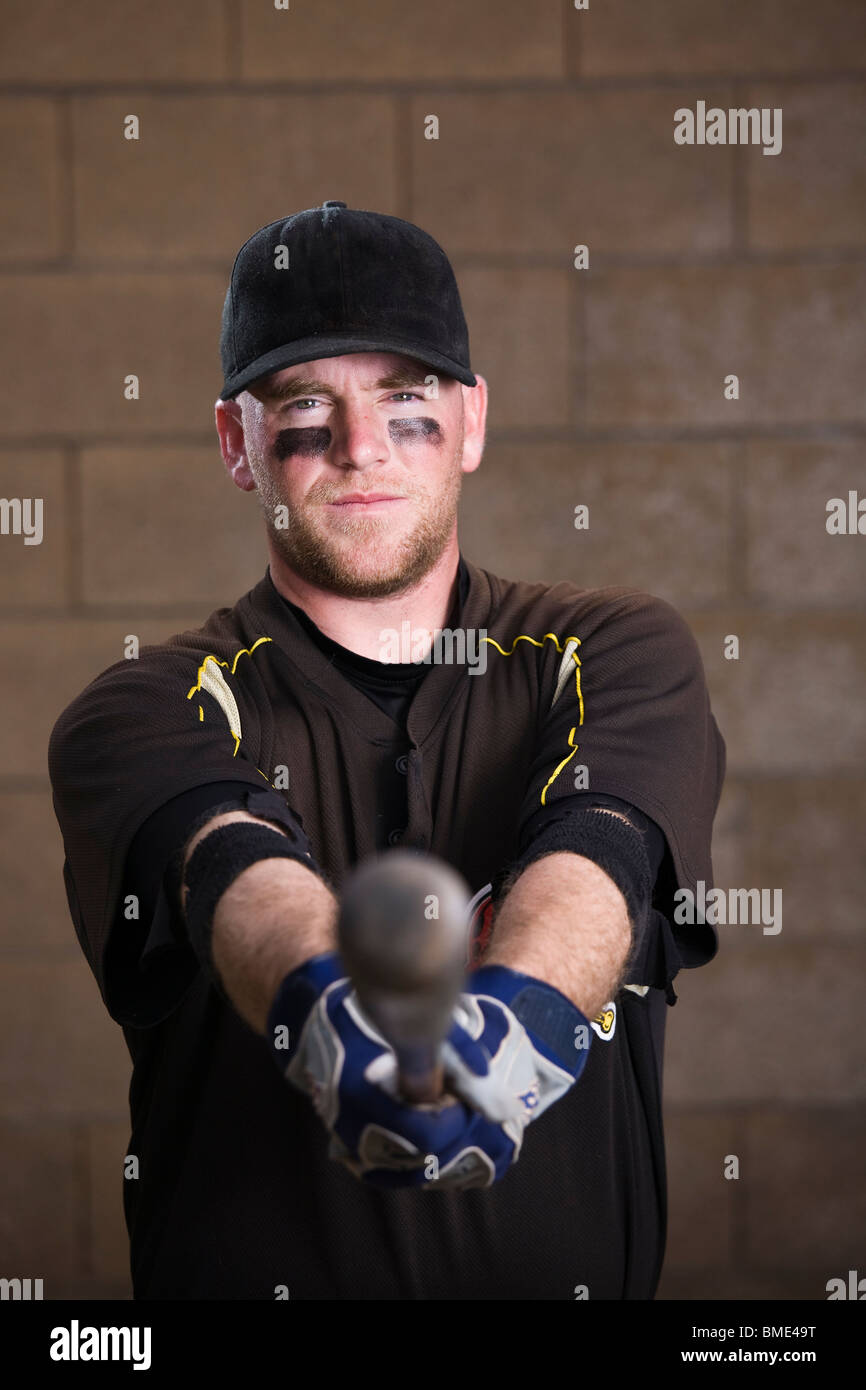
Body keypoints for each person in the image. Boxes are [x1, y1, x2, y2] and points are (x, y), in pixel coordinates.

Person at [48, 200, 725, 1300]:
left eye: (405, 400)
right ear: (238, 443)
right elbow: (232, 861)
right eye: (307, 404)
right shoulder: (141, 703)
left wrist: (509, 1031)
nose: (360, 447)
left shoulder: (613, 649)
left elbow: (598, 845)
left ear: (469, 422)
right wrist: (335, 1020)